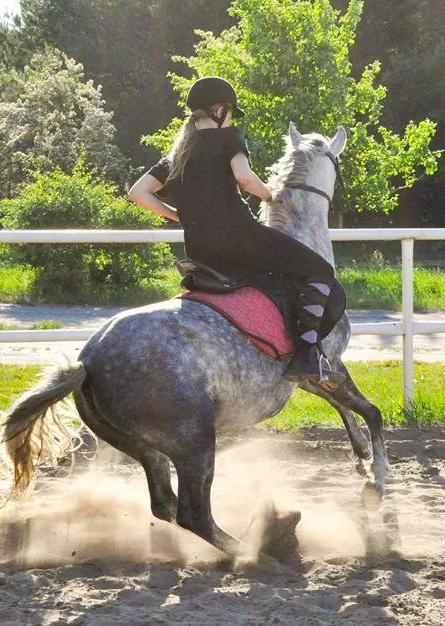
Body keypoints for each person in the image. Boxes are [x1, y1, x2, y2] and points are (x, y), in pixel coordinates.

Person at [128, 76, 345, 390]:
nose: (230, 119)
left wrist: (179, 216)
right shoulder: (229, 138)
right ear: (219, 111)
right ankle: (306, 355)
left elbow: (138, 192)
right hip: (243, 241)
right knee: (320, 270)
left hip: (201, 253)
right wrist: (270, 195)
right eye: (230, 113)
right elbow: (244, 178)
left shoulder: (177, 156)